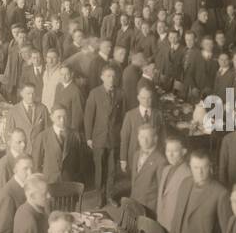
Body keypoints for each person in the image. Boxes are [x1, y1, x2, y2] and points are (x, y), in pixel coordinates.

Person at [169, 149, 231, 233]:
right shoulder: (185, 183)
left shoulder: (221, 193)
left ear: (210, 167)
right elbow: (176, 218)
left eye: (204, 167)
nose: (200, 172)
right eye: (196, 167)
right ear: (190, 167)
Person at [84, 63, 124, 202]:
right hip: (99, 137)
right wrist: (89, 137)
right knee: (100, 169)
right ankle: (99, 196)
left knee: (112, 170)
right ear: (102, 77)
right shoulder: (94, 93)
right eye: (108, 76)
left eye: (113, 76)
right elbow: (88, 117)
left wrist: (121, 136)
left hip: (114, 138)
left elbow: (123, 117)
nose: (111, 79)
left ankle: (110, 195)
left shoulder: (120, 94)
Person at [32, 105, 82, 185]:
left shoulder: (75, 135)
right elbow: (36, 164)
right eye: (59, 117)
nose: (62, 120)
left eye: (65, 117)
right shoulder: (42, 137)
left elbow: (80, 161)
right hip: (50, 182)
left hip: (70, 182)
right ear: (51, 117)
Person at [120, 85, 163, 175]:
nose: (146, 101)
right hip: (134, 157)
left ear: (152, 98)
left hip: (153, 157)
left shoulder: (158, 115)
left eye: (149, 98)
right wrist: (123, 159)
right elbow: (124, 139)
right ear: (138, 98)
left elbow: (163, 137)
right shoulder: (130, 115)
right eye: (143, 98)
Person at [155, 131, 191, 227]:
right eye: (167, 151)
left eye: (174, 151)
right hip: (161, 221)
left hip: (175, 225)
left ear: (184, 152)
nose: (170, 155)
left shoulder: (188, 175)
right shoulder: (165, 170)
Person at [128, 122, 166, 210]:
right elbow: (135, 180)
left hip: (149, 206)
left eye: (148, 137)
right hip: (134, 201)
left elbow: (161, 189)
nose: (144, 140)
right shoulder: (136, 155)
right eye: (142, 137)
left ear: (155, 138)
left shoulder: (160, 160)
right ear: (138, 138)